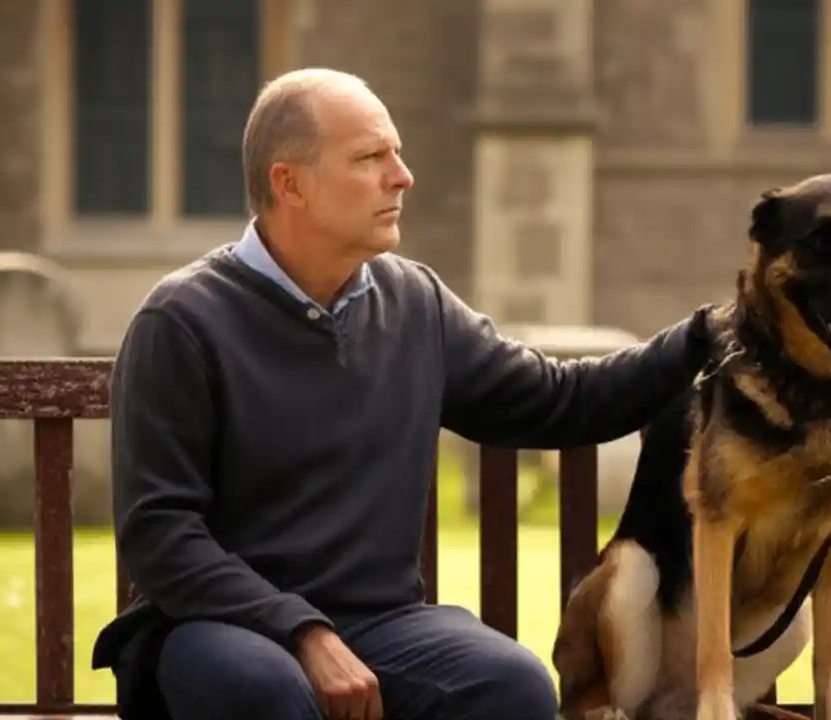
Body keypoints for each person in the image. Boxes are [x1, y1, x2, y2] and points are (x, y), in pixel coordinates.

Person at [90, 68, 715, 720]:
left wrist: (703, 336)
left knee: (512, 685)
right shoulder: (182, 321)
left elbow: (558, 400)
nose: (402, 176)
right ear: (289, 183)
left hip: (378, 626)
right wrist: (302, 632)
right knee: (268, 689)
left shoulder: (414, 303)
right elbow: (160, 537)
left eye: (396, 153)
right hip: (216, 626)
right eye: (370, 158)